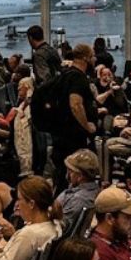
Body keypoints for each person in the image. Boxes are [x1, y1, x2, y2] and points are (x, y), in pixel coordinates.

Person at [0, 176, 62, 260]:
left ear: (31, 204)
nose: (17, 204)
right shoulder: (56, 225)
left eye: (19, 199)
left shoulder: (28, 235)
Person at [52, 44, 98, 190]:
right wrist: (87, 126)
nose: (94, 59)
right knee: (73, 173)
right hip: (73, 137)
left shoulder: (66, 75)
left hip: (61, 134)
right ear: (85, 58)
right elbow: (76, 104)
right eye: (92, 56)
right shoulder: (78, 78)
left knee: (62, 176)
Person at [55, 148, 101, 229]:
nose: (68, 175)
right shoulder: (95, 189)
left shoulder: (78, 199)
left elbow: (60, 229)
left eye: (71, 171)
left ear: (80, 176)